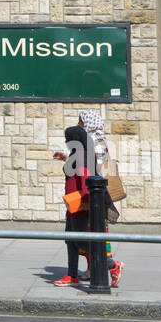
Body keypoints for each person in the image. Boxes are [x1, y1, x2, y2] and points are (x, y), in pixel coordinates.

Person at [52, 121, 121, 287]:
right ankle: (72, 275)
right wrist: (65, 159)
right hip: (74, 207)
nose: (67, 142)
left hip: (80, 207)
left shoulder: (82, 157)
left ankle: (113, 265)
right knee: (70, 241)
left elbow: (84, 180)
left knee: (82, 242)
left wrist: (83, 202)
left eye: (68, 139)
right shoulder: (81, 154)